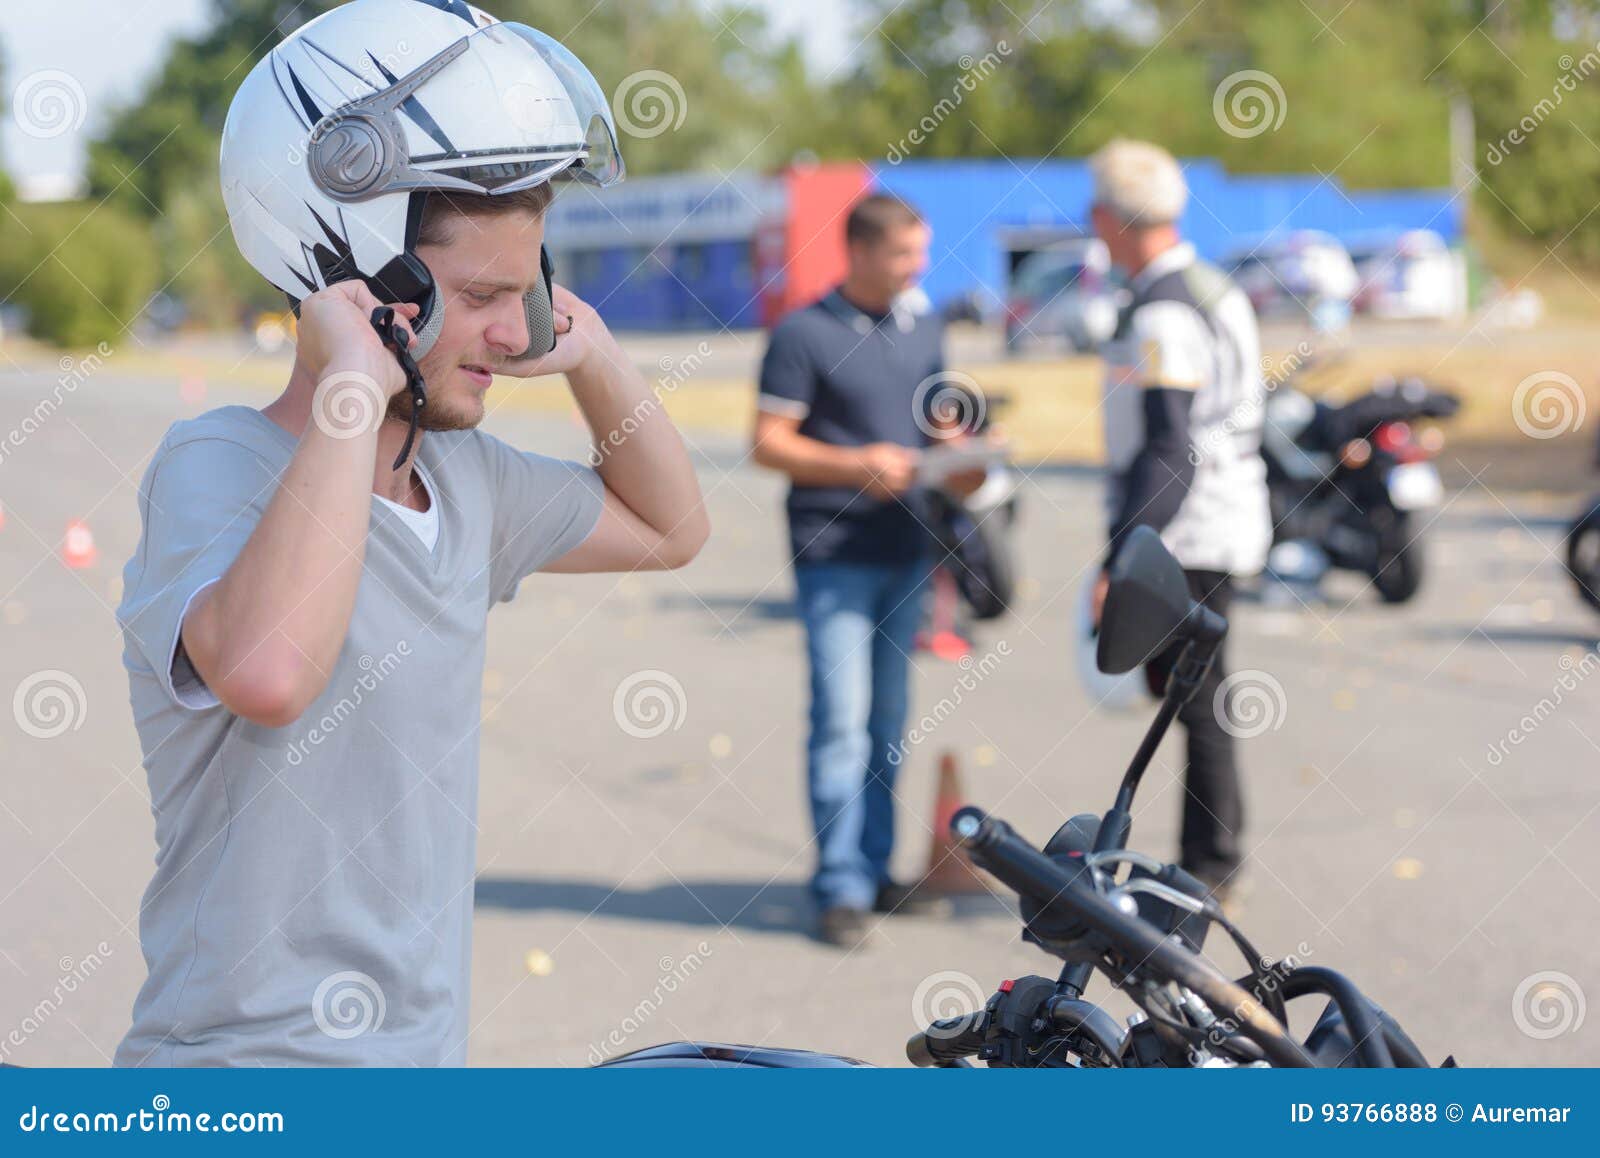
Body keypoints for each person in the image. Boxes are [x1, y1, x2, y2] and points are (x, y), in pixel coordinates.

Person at [113, 0, 707, 1066]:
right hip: (245, 1075)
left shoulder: (466, 483)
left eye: (526, 294)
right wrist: (352, 380)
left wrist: (596, 353)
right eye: (481, 295)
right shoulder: (217, 466)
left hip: (422, 1068)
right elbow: (268, 672)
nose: (512, 329)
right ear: (366, 289)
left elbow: (671, 528)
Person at [752, 194, 983, 949]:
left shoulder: (924, 329)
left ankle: (878, 870)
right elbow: (768, 442)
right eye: (903, 255)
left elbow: (935, 422)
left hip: (907, 548)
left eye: (921, 253)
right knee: (841, 725)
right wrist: (856, 465)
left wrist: (963, 453)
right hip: (834, 555)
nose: (918, 268)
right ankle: (840, 887)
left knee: (887, 726)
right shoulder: (802, 334)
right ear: (857, 251)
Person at [1088, 139, 1271, 901]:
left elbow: (1170, 448)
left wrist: (1121, 557)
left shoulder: (1165, 307)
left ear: (1112, 220)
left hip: (1187, 528)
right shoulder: (1206, 283)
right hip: (1212, 517)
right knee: (1194, 696)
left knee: (1196, 701)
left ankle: (1209, 865)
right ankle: (1209, 857)